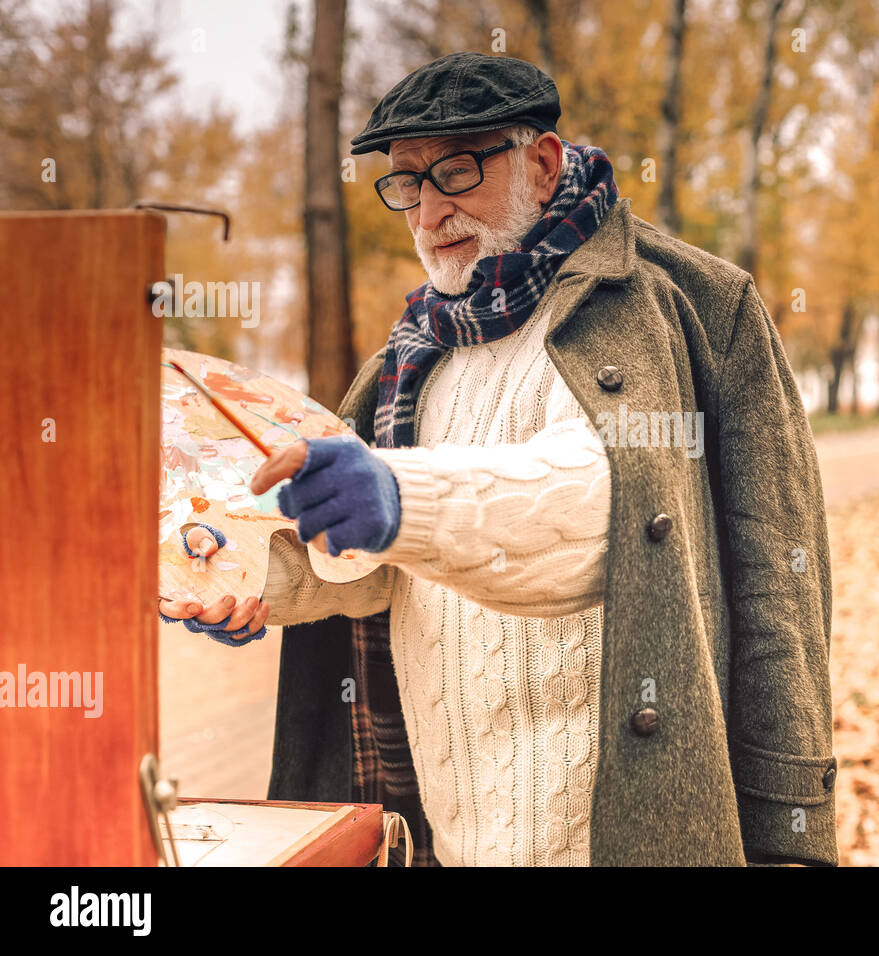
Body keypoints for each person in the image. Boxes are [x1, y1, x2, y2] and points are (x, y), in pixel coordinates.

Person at [160, 51, 837, 867]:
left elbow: (605, 517)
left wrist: (792, 819)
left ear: (543, 164)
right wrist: (250, 582)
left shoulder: (677, 304)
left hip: (625, 832)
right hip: (451, 832)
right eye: (406, 183)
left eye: (456, 169)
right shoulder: (411, 355)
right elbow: (376, 565)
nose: (429, 209)